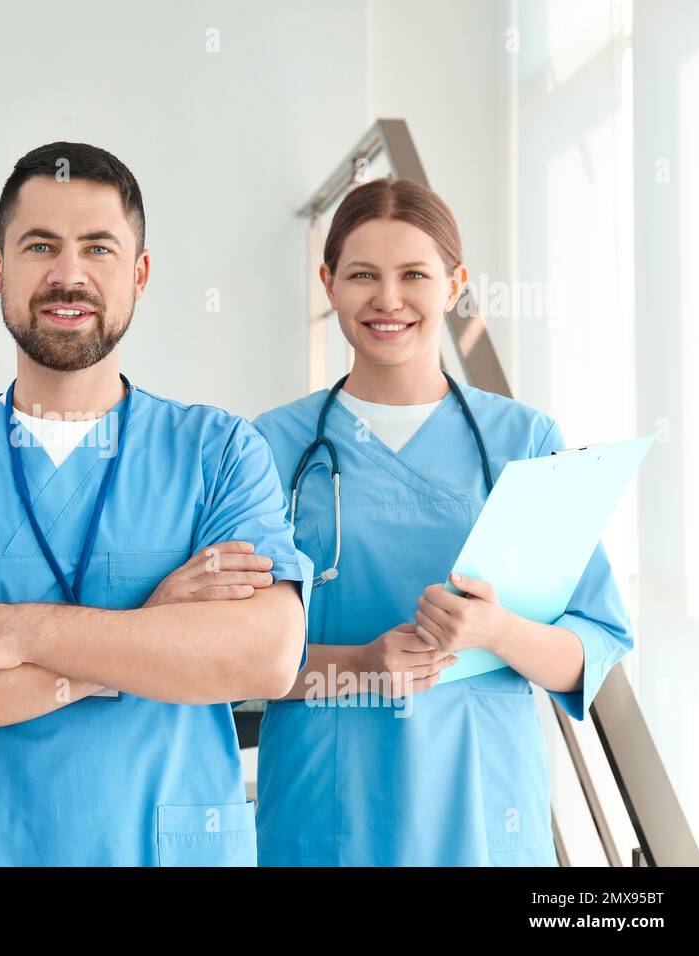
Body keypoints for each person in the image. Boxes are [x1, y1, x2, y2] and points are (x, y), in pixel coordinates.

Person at [0, 141, 313, 866]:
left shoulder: (219, 453)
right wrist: (149, 635)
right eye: (40, 246)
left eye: (98, 247)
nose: (69, 275)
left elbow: (267, 655)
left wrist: (9, 633)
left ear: (140, 273)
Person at [250, 177, 634, 866]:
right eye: (363, 274)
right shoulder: (271, 446)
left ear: (454, 284)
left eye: (414, 275)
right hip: (327, 805)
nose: (388, 299)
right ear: (328, 282)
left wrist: (498, 630)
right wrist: (361, 667)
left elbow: (590, 648)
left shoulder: (522, 438)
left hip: (484, 806)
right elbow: (233, 657)